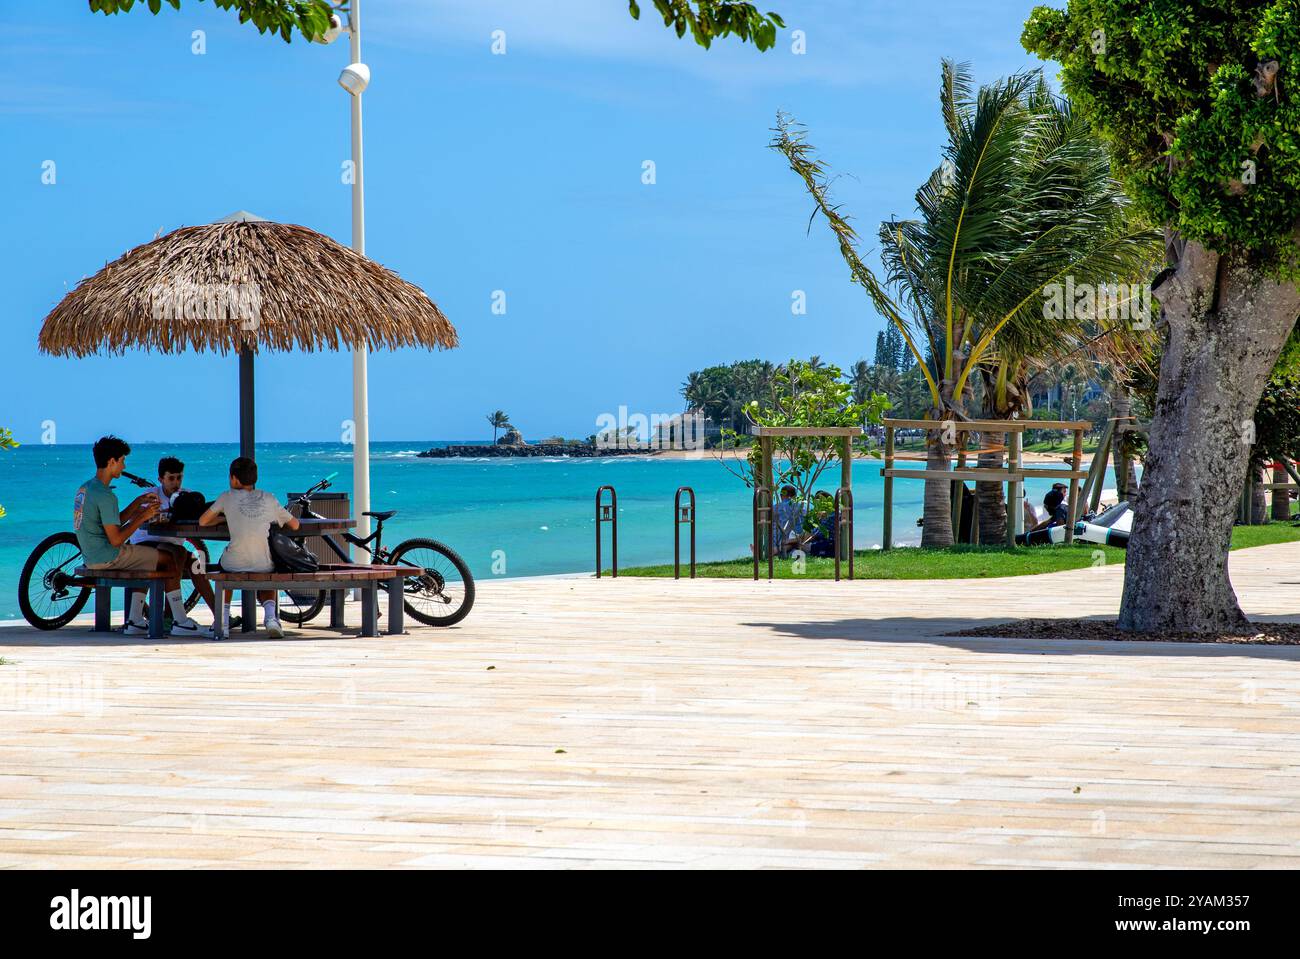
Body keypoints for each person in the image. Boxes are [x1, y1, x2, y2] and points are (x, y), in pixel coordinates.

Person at [73, 436, 213, 638]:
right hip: (108, 555)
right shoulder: (106, 495)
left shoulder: (87, 489)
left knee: (158, 556)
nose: (124, 466)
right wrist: (142, 517)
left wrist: (137, 503)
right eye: (122, 460)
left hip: (92, 555)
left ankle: (135, 620)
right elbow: (116, 539)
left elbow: (114, 522)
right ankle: (180, 621)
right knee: (172, 558)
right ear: (112, 461)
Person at [199, 456, 299, 638]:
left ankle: (222, 622)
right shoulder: (269, 498)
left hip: (234, 564)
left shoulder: (226, 497)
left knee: (226, 565)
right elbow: (295, 525)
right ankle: (270, 618)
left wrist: (225, 517)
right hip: (263, 565)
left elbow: (203, 521)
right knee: (268, 565)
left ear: (234, 479)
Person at [126, 455, 217, 627]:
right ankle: (173, 618)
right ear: (161, 479)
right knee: (177, 553)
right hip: (146, 542)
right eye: (171, 478)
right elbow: (134, 518)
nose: (176, 482)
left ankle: (219, 615)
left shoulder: (187, 496)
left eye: (179, 477)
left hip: (170, 546)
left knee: (195, 565)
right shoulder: (150, 496)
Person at [773, 485, 805, 556]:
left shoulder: (775, 507)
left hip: (776, 539)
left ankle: (773, 550)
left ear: (781, 495)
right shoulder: (800, 507)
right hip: (793, 538)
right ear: (795, 496)